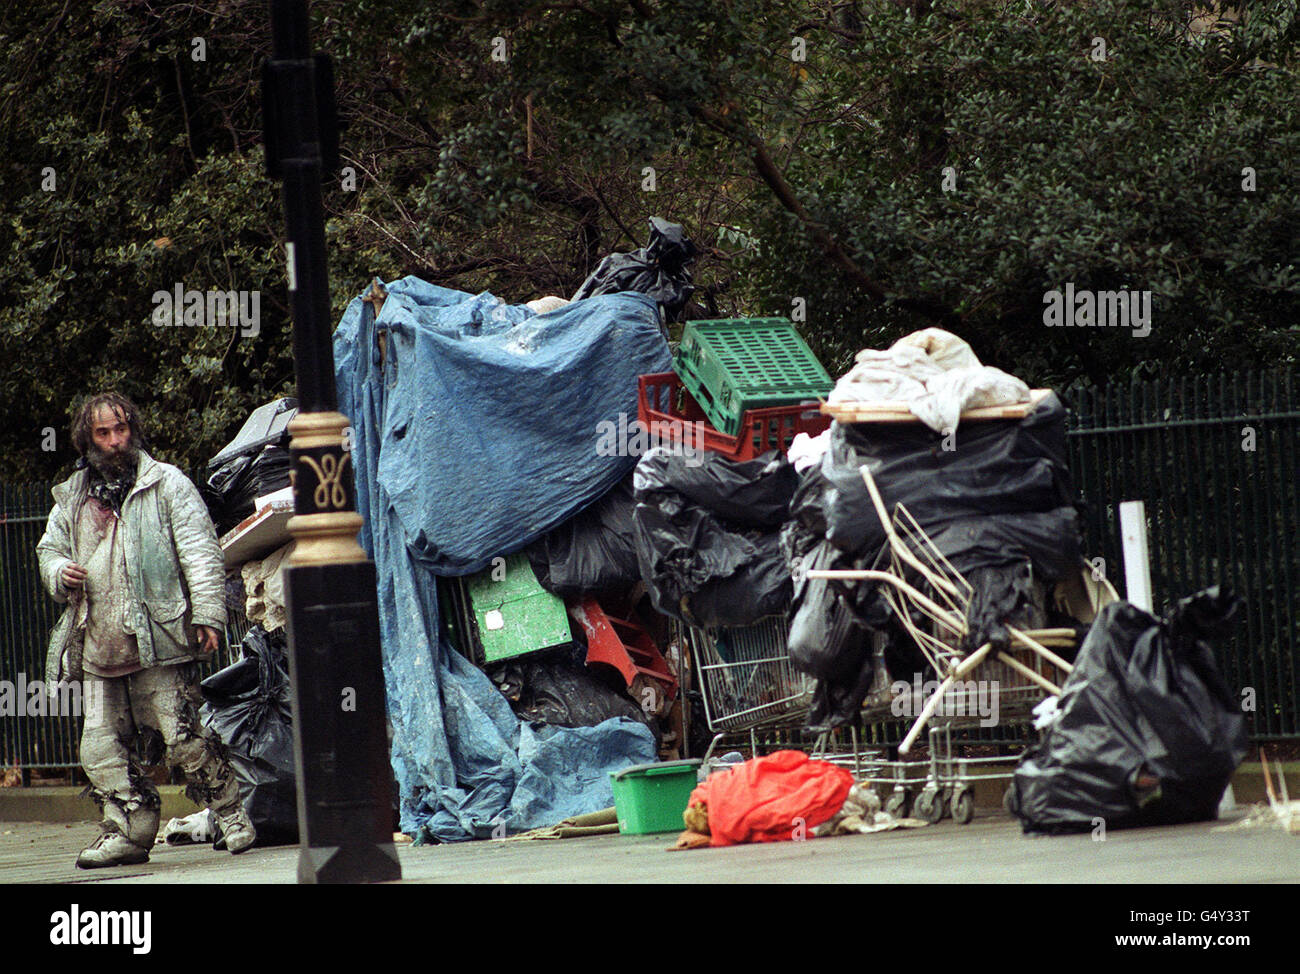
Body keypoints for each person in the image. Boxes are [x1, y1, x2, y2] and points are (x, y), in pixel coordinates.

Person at [36, 392, 256, 868]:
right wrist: (58, 572)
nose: (115, 441)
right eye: (103, 433)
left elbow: (200, 551)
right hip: (95, 647)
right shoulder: (70, 496)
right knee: (98, 749)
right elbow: (48, 551)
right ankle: (128, 834)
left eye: (121, 429)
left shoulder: (166, 483)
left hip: (157, 640)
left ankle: (232, 814)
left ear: (133, 429)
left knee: (182, 737)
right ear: (87, 439)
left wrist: (209, 615)